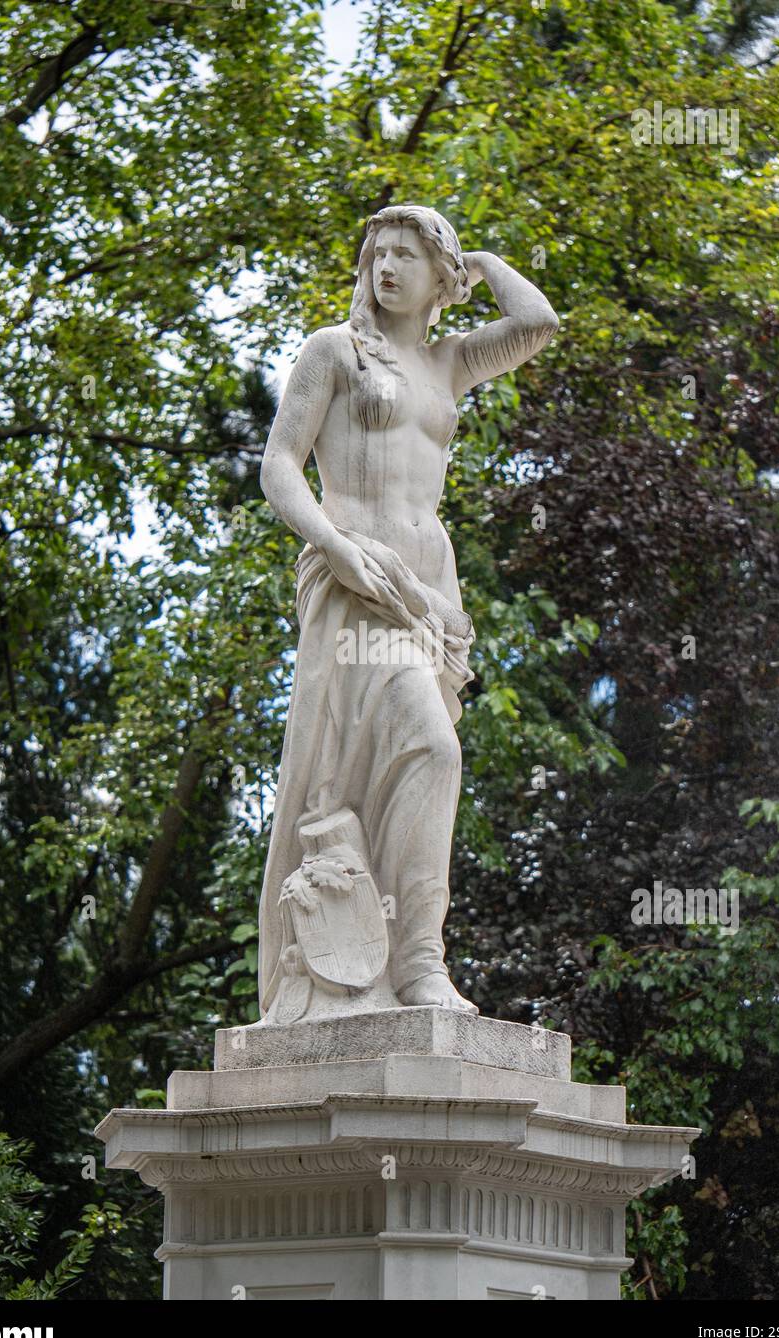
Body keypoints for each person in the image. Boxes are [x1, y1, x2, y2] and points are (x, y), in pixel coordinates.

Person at [258, 204, 558, 1017]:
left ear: (438, 276)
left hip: (430, 601)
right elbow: (279, 464)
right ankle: (418, 965)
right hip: (360, 579)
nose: (384, 266)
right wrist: (333, 542)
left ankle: (410, 962)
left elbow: (538, 322)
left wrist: (483, 259)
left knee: (408, 763)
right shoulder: (335, 351)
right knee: (428, 746)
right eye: (376, 253)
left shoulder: (449, 363)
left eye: (405, 254)